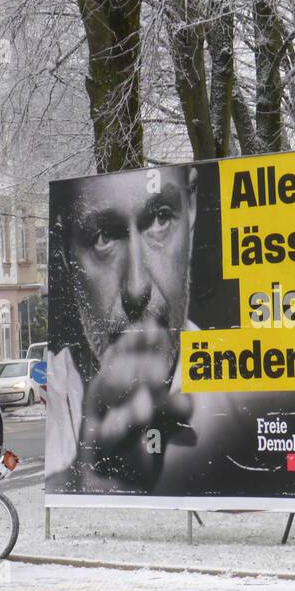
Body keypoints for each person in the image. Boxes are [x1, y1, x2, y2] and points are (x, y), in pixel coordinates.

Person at [45, 163, 235, 494]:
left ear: (190, 209)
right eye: (102, 237)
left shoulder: (245, 396)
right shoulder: (54, 393)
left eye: (160, 219)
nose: (136, 288)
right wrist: (78, 485)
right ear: (64, 250)